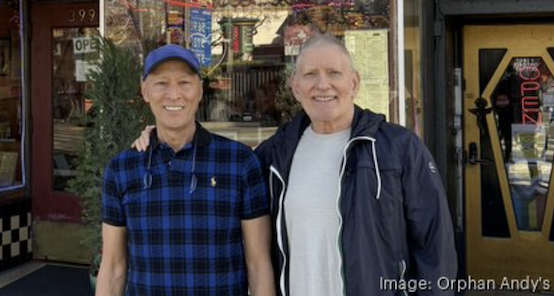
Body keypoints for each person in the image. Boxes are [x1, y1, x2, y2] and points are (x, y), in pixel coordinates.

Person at [133, 34, 457, 295]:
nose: (322, 85)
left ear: (354, 83)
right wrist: (161, 134)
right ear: (295, 87)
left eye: (334, 73)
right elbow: (217, 186)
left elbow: (435, 249)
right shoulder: (275, 155)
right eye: (311, 75)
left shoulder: (398, 149)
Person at [96, 44, 275, 296]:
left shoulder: (240, 163)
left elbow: (258, 264)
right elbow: (113, 266)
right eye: (161, 83)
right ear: (145, 90)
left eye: (184, 82)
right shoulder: (122, 169)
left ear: (200, 90)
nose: (174, 94)